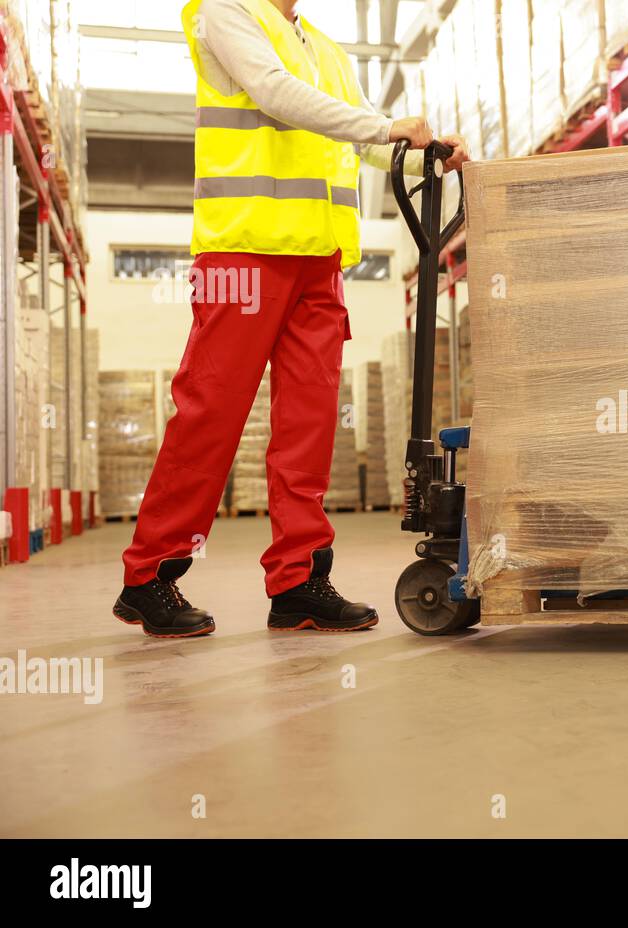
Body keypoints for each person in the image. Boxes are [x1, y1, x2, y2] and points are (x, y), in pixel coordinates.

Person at [113, 0, 468, 638]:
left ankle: (298, 581)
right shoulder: (223, 14)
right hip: (243, 253)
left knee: (308, 424)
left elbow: (357, 147)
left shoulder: (326, 50)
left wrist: (428, 156)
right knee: (211, 414)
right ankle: (149, 575)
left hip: (318, 262)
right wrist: (389, 126)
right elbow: (275, 94)